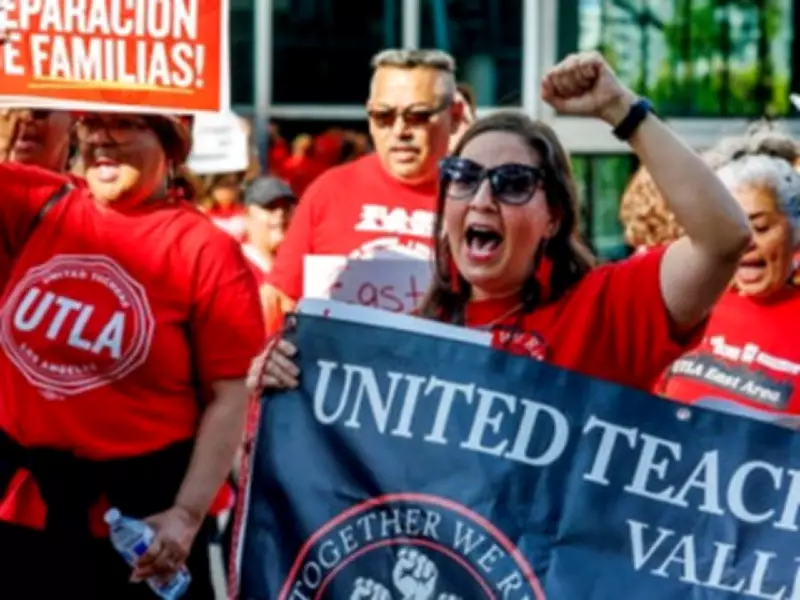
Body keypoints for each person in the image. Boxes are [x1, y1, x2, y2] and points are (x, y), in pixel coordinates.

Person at [248, 51, 750, 396]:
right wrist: (283, 381)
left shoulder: (605, 309)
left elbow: (724, 238)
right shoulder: (414, 336)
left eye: (511, 183)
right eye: (463, 177)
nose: (483, 198)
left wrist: (624, 111)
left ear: (553, 216)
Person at [0, 111, 265, 599]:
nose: (103, 136)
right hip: (26, 511)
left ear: (172, 144)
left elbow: (230, 396)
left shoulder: (206, 251)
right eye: (91, 121)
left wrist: (186, 515)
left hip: (140, 531)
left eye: (125, 123)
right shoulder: (40, 203)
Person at [260, 48, 464, 332]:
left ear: (454, 116)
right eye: (383, 116)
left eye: (417, 116)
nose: (399, 130)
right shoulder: (330, 191)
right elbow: (279, 300)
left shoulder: (478, 197)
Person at [660, 125, 800, 422]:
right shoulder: (688, 307)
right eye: (729, 229)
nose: (745, 242)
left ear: (795, 231)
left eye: (760, 227)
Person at [241, 176, 297, 285]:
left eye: (286, 207)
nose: (280, 213)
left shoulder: (300, 264)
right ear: (247, 217)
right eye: (270, 206)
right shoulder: (237, 265)